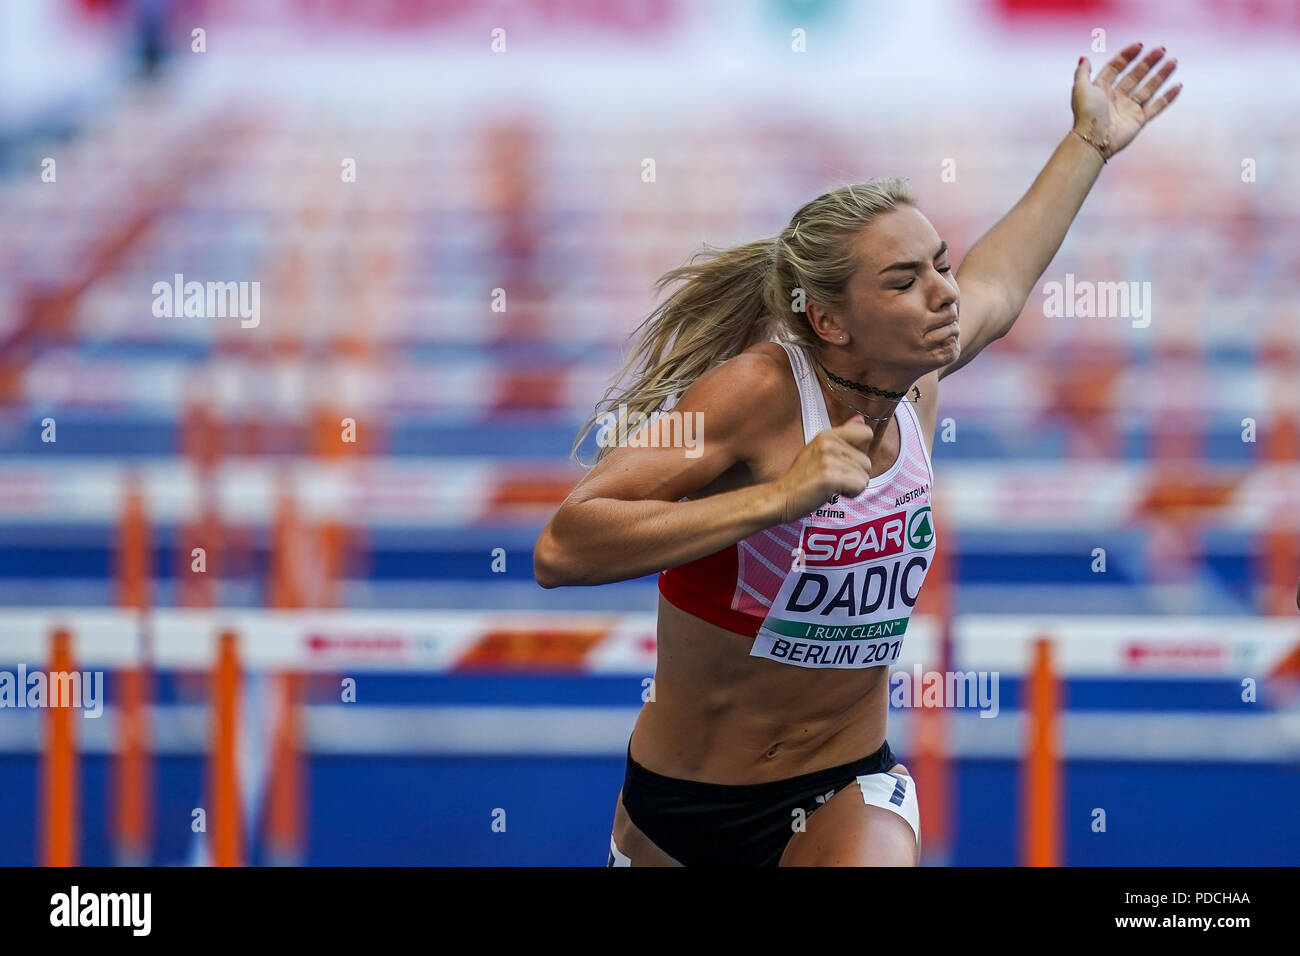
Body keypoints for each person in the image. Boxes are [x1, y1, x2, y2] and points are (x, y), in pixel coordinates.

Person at [535, 44, 1181, 867]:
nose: (944, 292)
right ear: (832, 323)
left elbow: (1002, 285)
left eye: (940, 265)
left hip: (845, 786)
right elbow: (563, 544)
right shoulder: (750, 396)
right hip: (681, 811)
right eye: (906, 281)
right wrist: (773, 501)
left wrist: (1088, 143)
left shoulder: (919, 384)